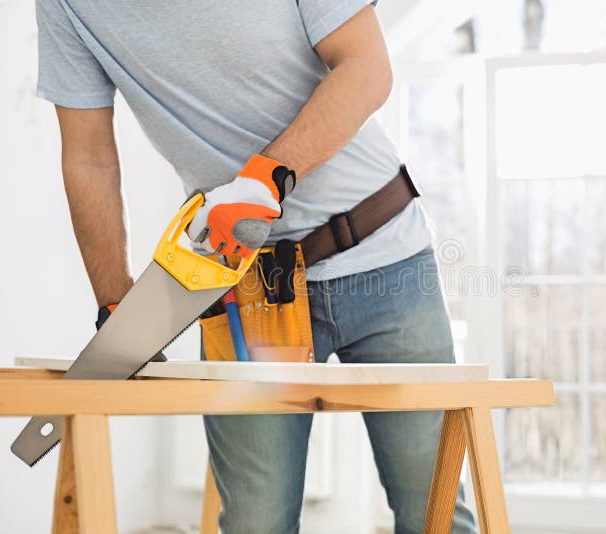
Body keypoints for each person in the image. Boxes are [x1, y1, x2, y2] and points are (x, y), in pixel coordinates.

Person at [35, 1, 476, 532]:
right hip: (245, 287)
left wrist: (265, 179)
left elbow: (367, 69)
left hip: (384, 253)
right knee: (255, 525)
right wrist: (116, 303)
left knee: (437, 516)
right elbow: (88, 154)